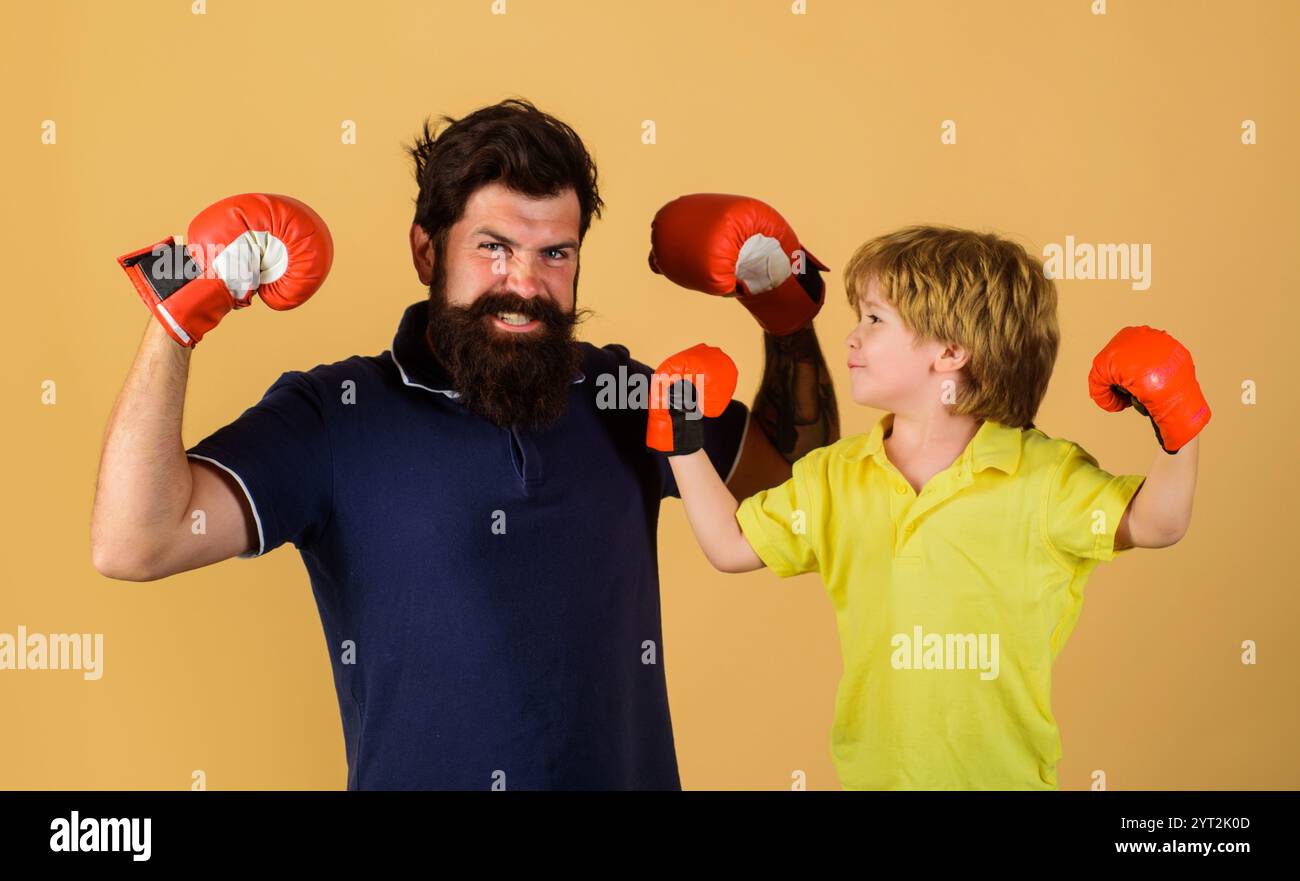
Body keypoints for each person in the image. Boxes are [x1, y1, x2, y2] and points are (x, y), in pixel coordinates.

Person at [90, 98, 840, 790]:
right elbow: (134, 541)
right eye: (494, 246)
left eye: (556, 253)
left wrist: (784, 313)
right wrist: (178, 317)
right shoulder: (336, 417)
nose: (525, 281)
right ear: (427, 252)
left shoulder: (621, 394)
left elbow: (797, 486)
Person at [659, 224, 1207, 790]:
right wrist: (679, 437)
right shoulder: (835, 476)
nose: (851, 337)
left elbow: (1157, 523)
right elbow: (729, 546)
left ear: (950, 351)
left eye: (874, 319)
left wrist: (1179, 420)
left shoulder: (1043, 477)